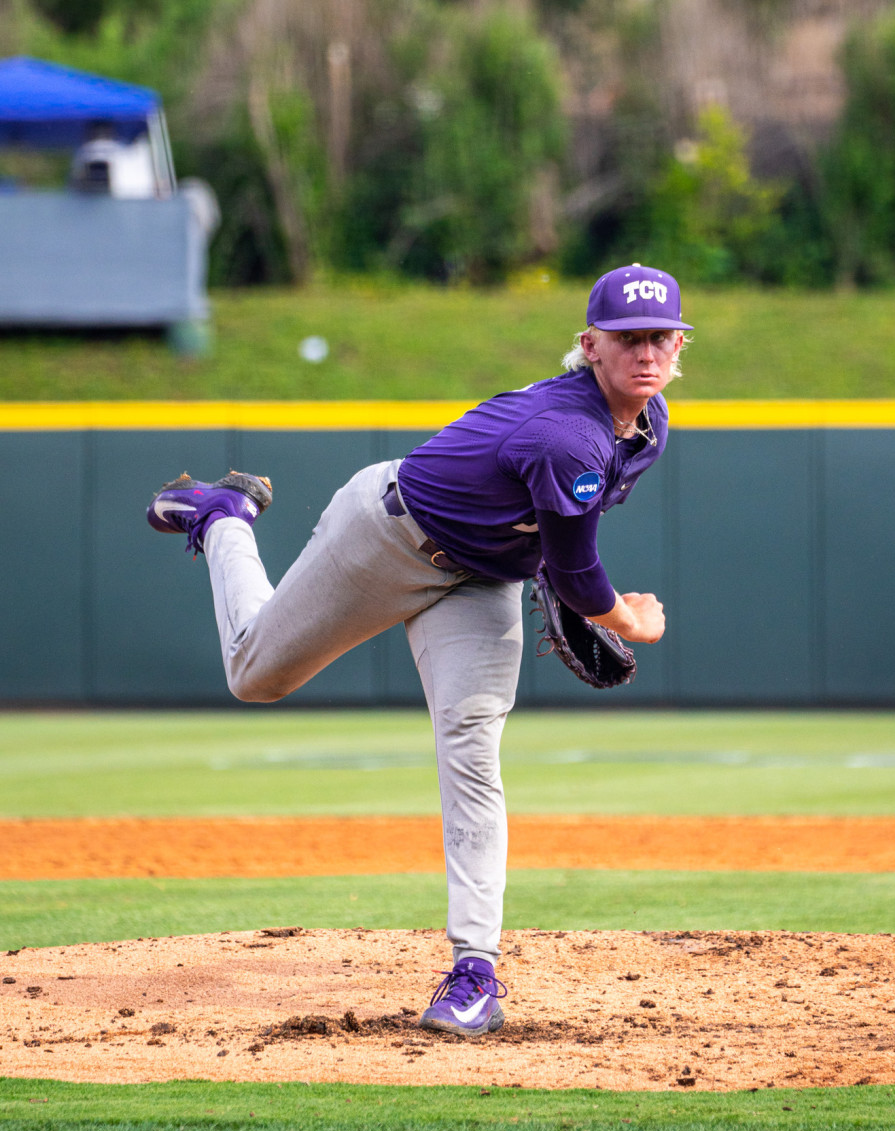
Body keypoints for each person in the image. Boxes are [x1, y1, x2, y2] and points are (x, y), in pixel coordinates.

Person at [145, 262, 692, 1037]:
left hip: (481, 581)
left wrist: (561, 585)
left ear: (678, 346)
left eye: (661, 338)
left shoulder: (649, 423)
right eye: (628, 338)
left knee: (471, 748)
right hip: (387, 537)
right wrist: (623, 617)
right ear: (589, 346)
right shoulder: (569, 433)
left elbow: (555, 541)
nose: (646, 353)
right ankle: (223, 516)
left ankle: (474, 970)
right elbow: (574, 564)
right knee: (253, 675)